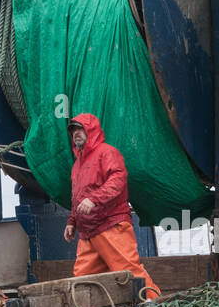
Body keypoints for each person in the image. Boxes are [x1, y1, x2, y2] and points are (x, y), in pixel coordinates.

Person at [62, 112, 160, 297]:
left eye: (80, 128)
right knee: (81, 280)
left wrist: (94, 199)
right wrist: (72, 221)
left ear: (92, 129)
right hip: (88, 232)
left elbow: (118, 179)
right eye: (73, 130)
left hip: (111, 226)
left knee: (130, 273)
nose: (76, 133)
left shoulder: (107, 152)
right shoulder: (77, 165)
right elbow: (78, 196)